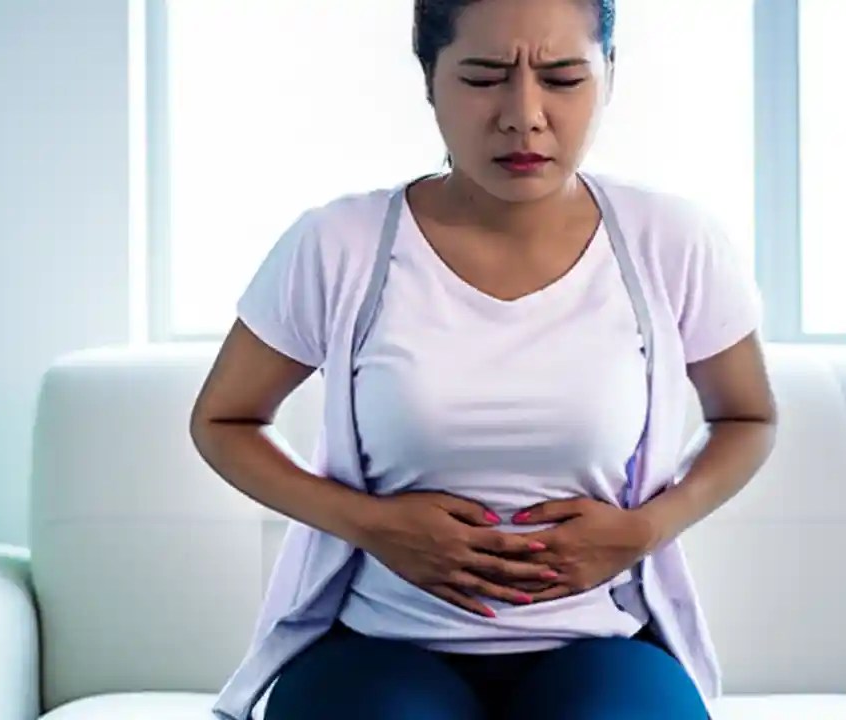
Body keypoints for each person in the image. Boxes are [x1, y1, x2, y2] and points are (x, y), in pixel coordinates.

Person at [190, 0, 778, 717]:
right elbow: (223, 420)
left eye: (563, 79)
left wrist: (646, 530)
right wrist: (370, 525)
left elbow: (747, 416)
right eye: (482, 77)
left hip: (599, 642)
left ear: (610, 77)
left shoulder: (672, 239)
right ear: (429, 77)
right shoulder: (338, 243)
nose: (523, 114)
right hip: (379, 645)